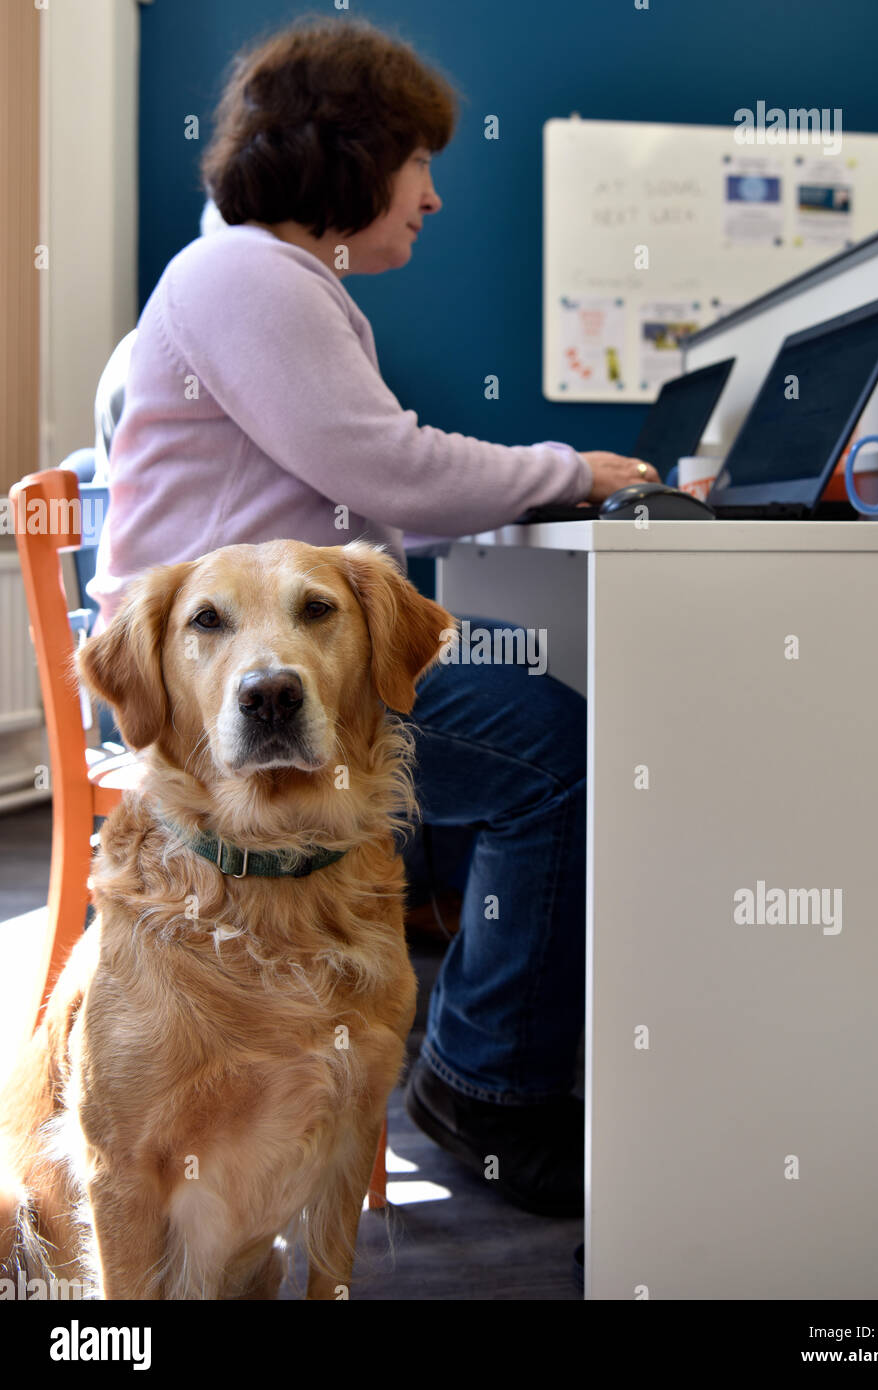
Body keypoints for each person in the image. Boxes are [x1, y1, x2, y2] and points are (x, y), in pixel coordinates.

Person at [89, 16, 657, 1219]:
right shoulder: (248, 272)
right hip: (224, 682)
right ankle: (485, 1090)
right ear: (353, 154)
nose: (433, 197)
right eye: (418, 161)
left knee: (516, 716)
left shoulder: (261, 276)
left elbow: (364, 482)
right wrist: (570, 469)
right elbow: (387, 468)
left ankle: (442, 1044)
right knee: (555, 756)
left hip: (243, 656)